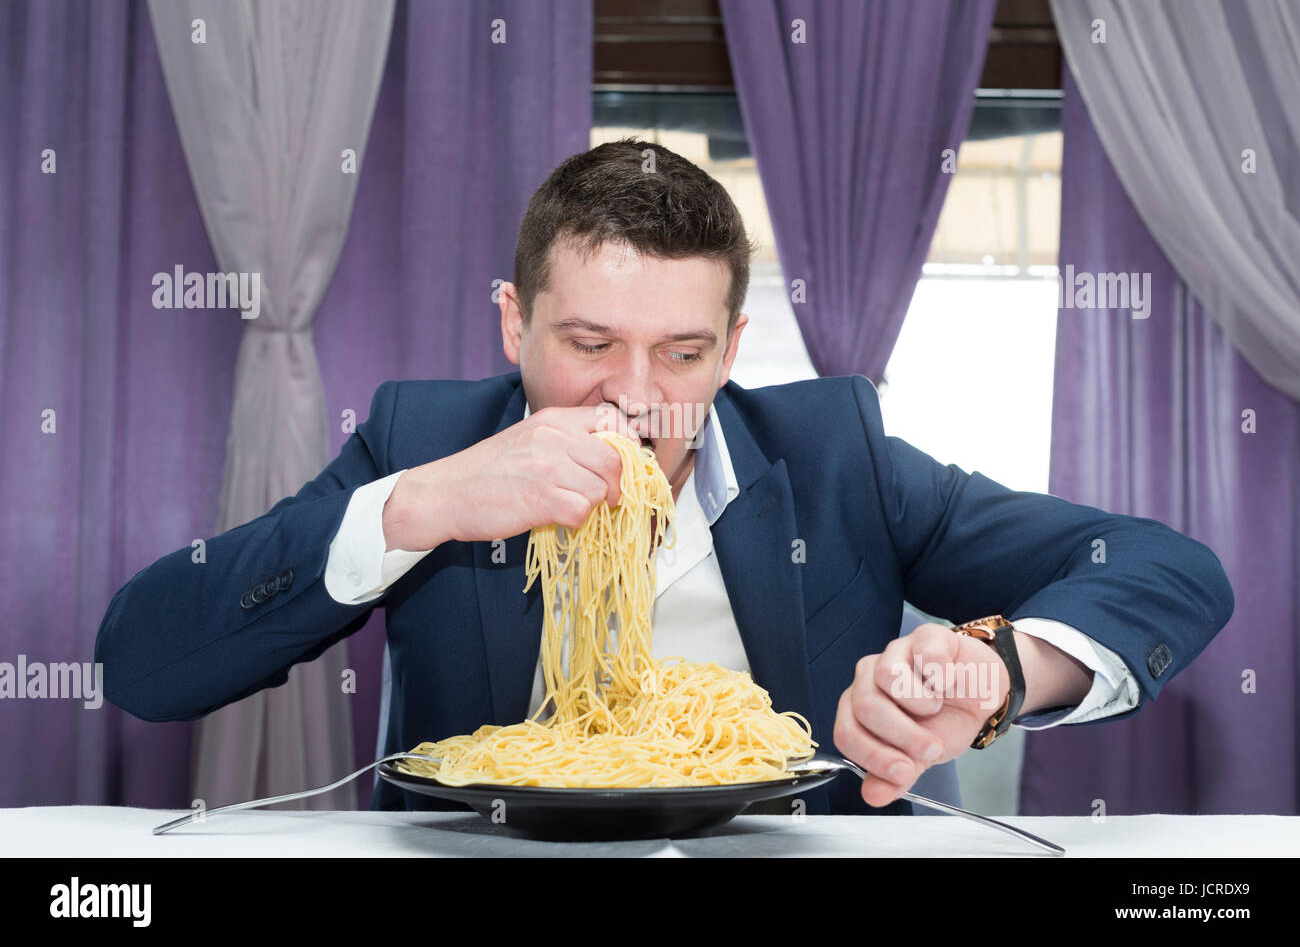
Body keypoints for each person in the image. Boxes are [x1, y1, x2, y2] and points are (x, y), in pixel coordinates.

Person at [95, 139, 1234, 816]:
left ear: (733, 348)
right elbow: (144, 658)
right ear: (513, 324)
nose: (635, 396)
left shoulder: (836, 456)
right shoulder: (417, 440)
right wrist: (417, 506)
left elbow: (1162, 565)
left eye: (682, 354)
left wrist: (999, 664)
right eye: (588, 345)